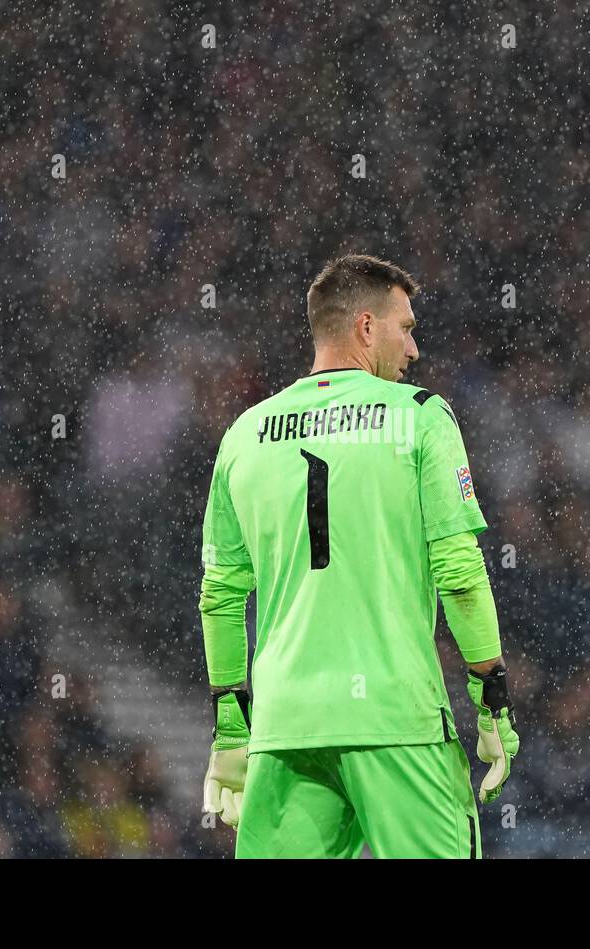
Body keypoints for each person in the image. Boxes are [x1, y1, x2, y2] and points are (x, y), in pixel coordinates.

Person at [197, 253, 519, 858]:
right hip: (396, 721)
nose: (414, 349)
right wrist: (491, 697)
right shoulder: (420, 417)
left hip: (287, 727)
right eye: (407, 327)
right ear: (367, 328)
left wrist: (231, 728)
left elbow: (220, 597)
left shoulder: (243, 435)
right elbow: (461, 575)